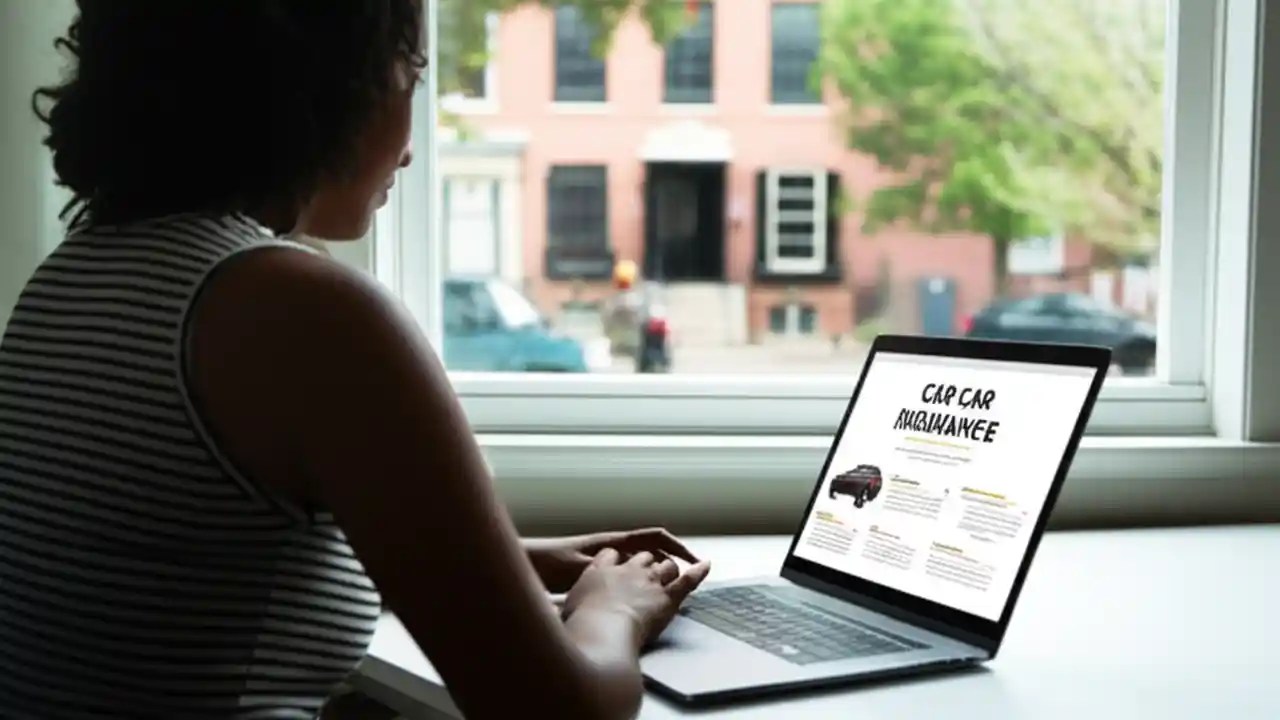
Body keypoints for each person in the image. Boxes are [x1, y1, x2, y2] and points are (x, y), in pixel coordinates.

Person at [1, 2, 710, 718]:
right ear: (326, 84)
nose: (408, 148)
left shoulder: (69, 281)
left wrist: (509, 566)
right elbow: (557, 710)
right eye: (411, 74)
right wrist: (613, 611)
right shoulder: (302, 312)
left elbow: (173, 573)